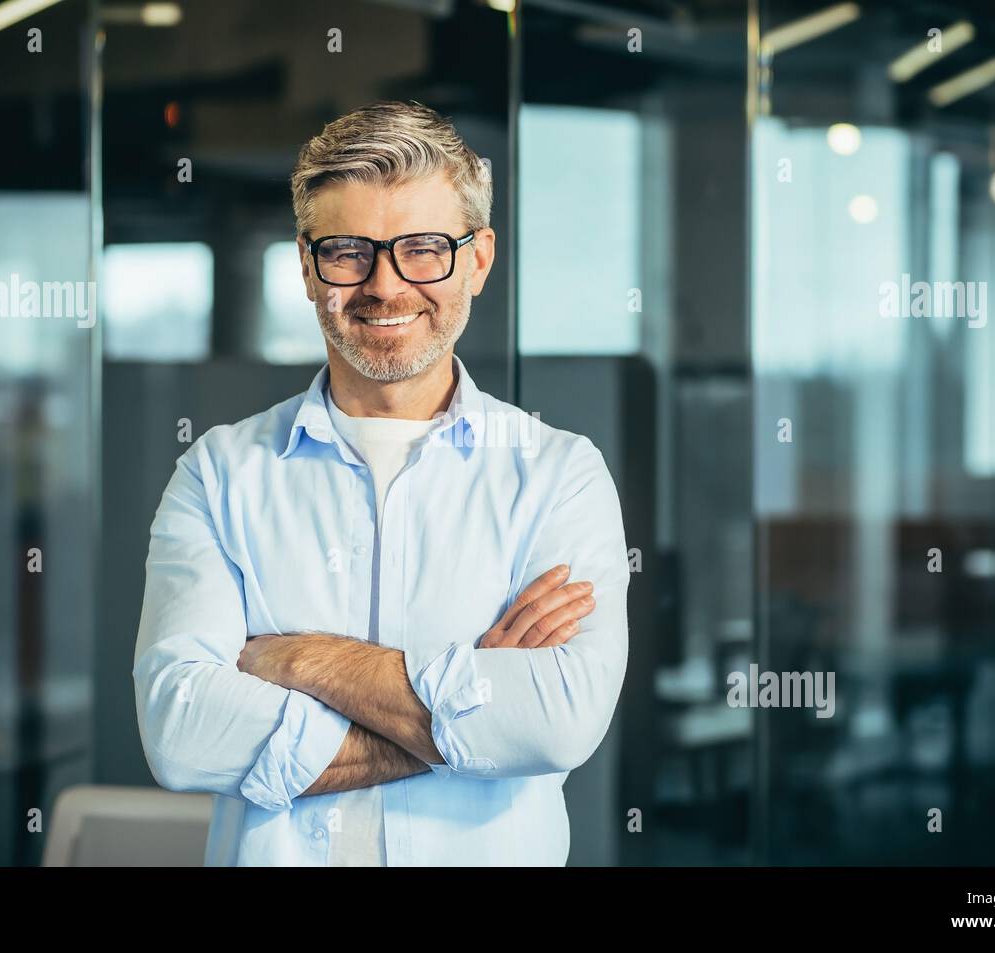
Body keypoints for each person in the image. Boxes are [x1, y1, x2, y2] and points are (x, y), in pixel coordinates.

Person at [133, 101, 630, 865]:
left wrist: (304, 661)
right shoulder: (220, 473)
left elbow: (558, 720)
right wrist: (470, 706)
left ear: (479, 258)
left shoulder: (558, 474)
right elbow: (182, 734)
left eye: (424, 249)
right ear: (306, 266)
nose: (386, 285)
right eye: (348, 251)